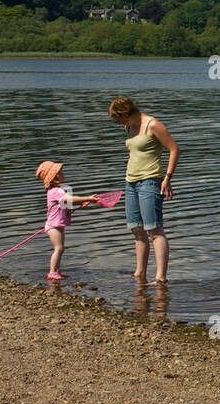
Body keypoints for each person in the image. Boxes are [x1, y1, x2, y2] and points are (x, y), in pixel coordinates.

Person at [108, 95, 179, 283]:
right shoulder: (129, 126)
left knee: (154, 230)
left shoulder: (152, 125)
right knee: (137, 229)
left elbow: (173, 149)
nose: (117, 123)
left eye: (117, 118)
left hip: (150, 182)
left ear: (124, 113)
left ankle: (160, 277)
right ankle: (140, 273)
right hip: (130, 182)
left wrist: (168, 178)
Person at [35, 160, 97, 281]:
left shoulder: (55, 191)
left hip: (56, 225)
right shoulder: (56, 191)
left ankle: (57, 271)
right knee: (58, 248)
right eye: (60, 172)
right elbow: (69, 198)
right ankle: (52, 272)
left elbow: (65, 205)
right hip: (53, 226)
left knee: (60, 248)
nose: (63, 174)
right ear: (54, 177)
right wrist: (88, 198)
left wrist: (81, 203)